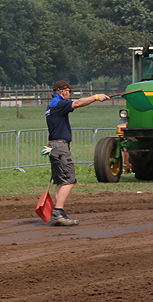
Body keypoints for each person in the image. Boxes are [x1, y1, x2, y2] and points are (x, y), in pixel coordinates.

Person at [44, 80, 111, 226]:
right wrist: (96, 97)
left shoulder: (51, 105)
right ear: (64, 91)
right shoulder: (59, 104)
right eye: (70, 91)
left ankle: (59, 213)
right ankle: (58, 212)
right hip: (60, 146)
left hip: (53, 146)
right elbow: (78, 103)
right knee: (70, 180)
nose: (70, 94)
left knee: (61, 181)